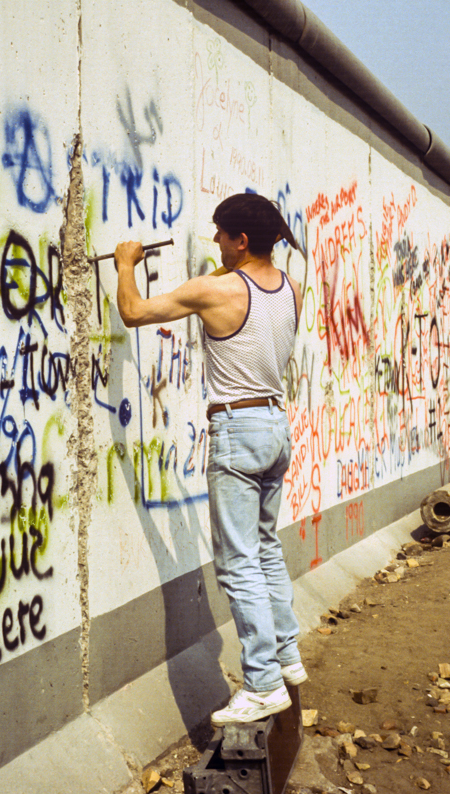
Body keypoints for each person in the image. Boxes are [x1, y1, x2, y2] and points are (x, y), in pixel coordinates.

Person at [112, 193, 305, 727]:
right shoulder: (290, 288)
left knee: (238, 562)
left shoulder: (216, 289)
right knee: (266, 549)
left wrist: (127, 264)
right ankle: (288, 657)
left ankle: (264, 682)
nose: (215, 241)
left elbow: (133, 312)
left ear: (241, 240)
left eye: (221, 233)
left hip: (238, 430)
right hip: (275, 424)